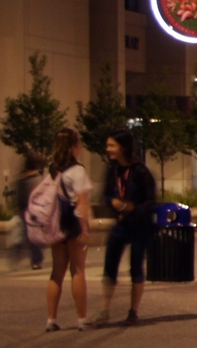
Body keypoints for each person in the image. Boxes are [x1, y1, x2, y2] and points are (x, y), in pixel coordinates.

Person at [93, 130, 156, 327]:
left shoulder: (140, 171)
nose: (108, 149)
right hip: (120, 223)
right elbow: (105, 193)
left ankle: (133, 311)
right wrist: (111, 202)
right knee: (110, 265)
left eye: (112, 145)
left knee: (136, 267)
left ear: (123, 147)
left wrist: (133, 207)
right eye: (108, 145)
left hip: (140, 225)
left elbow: (151, 200)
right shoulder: (112, 169)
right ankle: (104, 310)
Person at [45, 128, 94, 331]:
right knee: (78, 271)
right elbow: (81, 203)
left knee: (57, 272)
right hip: (73, 223)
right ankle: (82, 319)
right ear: (74, 146)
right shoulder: (77, 171)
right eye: (79, 142)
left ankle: (51, 320)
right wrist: (85, 229)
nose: (81, 146)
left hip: (55, 223)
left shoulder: (51, 170)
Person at [13, 156, 45, 270]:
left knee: (30, 235)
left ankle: (36, 259)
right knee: (25, 234)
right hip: (26, 209)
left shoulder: (31, 178)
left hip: (30, 209)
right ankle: (24, 255)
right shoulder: (33, 177)